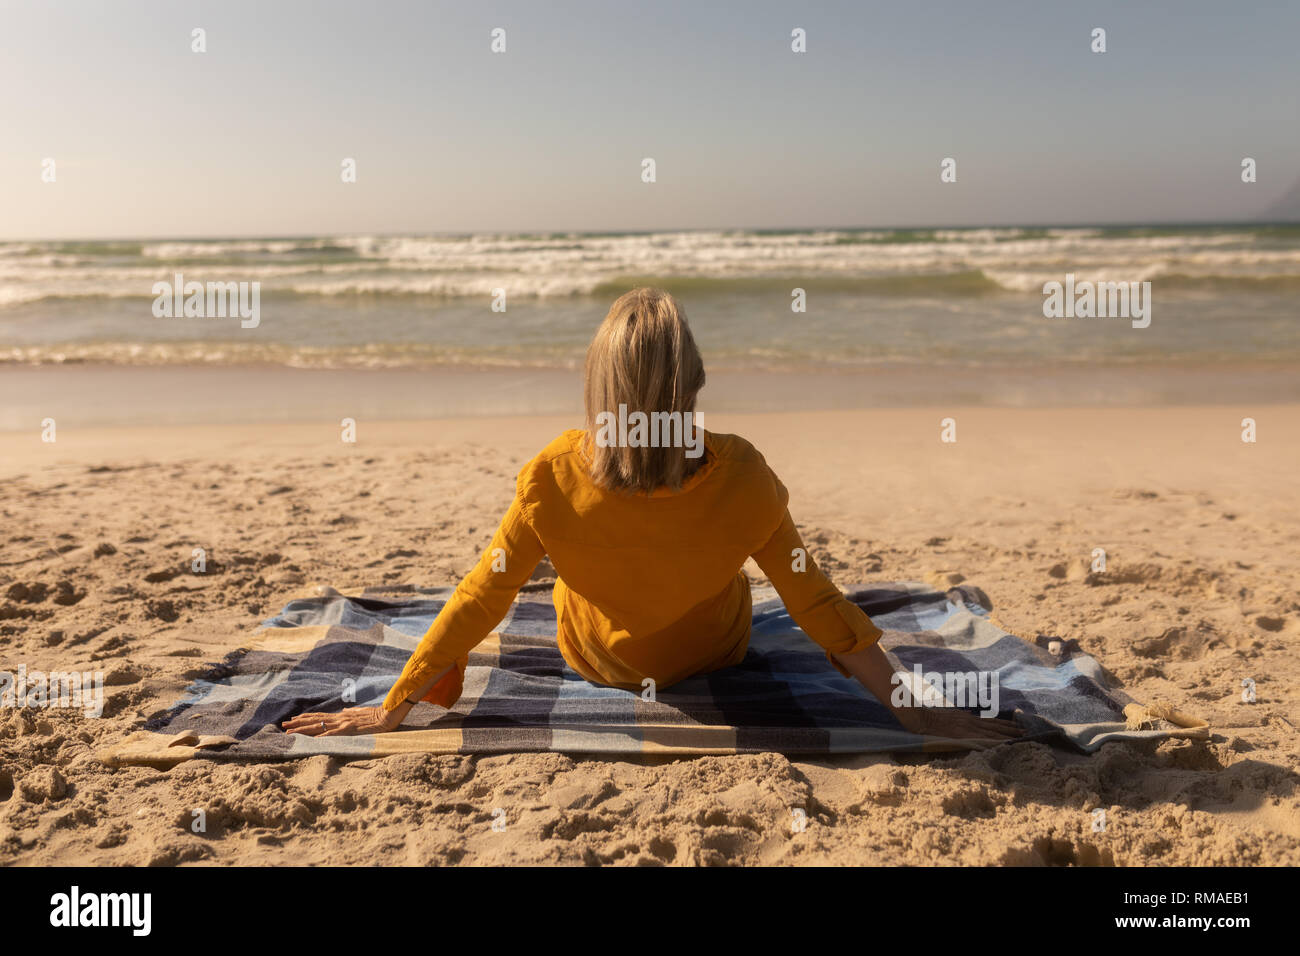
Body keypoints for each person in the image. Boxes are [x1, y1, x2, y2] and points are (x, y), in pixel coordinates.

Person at [283, 288, 1021, 743]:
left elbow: (485, 593)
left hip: (598, 661)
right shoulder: (745, 476)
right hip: (715, 653)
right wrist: (911, 708)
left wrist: (395, 705)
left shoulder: (550, 477)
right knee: (743, 580)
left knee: (557, 583)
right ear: (694, 381)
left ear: (598, 387)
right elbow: (815, 602)